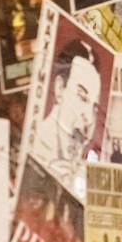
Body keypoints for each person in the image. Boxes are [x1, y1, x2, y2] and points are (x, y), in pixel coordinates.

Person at [31, 38, 103, 188]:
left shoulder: (83, 171)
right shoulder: (33, 148)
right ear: (59, 88)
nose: (88, 118)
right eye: (82, 97)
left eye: (94, 107)